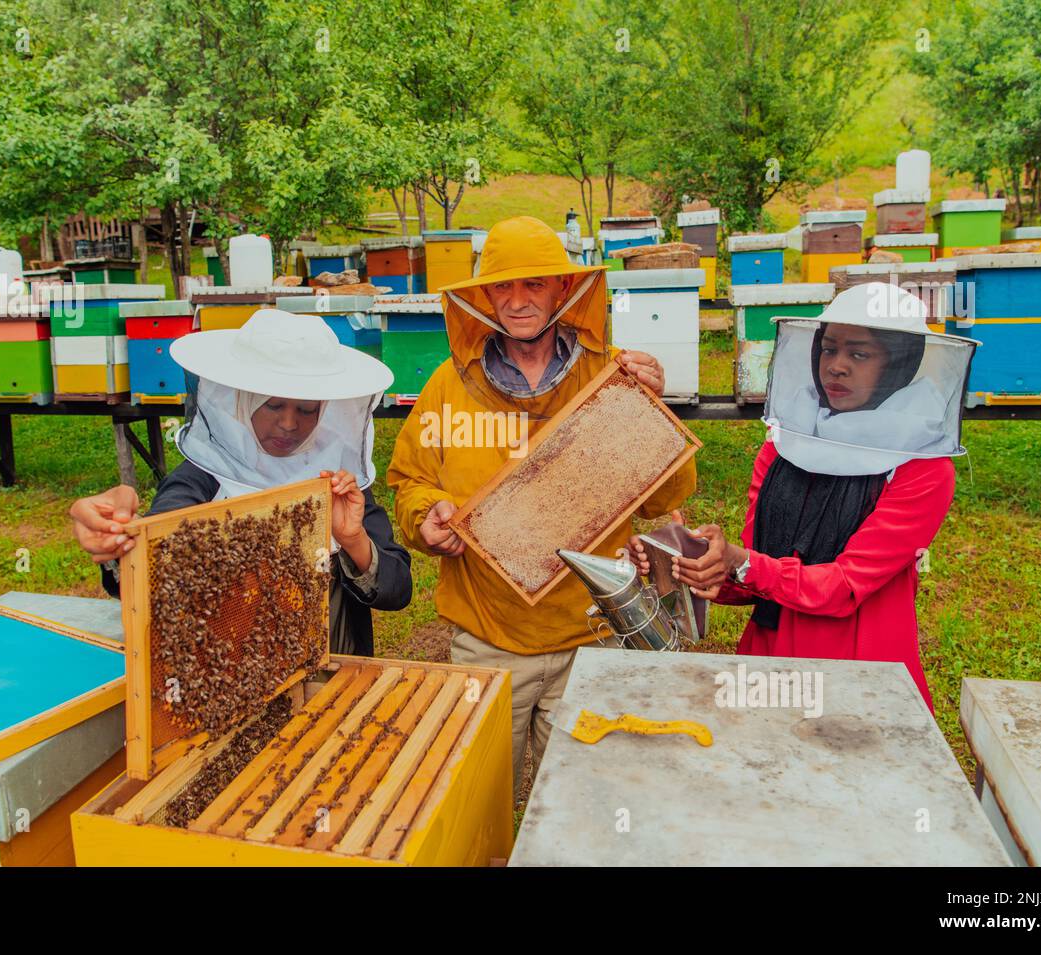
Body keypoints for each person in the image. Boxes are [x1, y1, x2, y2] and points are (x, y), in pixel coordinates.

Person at [387, 215, 699, 791]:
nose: (518, 300)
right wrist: (424, 516)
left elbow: (668, 497)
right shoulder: (447, 386)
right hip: (487, 641)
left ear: (563, 289)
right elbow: (410, 479)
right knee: (477, 804)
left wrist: (653, 412)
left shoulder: (613, 374)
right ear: (485, 296)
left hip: (592, 633)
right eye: (504, 286)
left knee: (579, 804)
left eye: (534, 284)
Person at [632, 282, 978, 711]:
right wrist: (687, 561)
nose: (836, 366)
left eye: (859, 354)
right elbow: (755, 574)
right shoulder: (783, 445)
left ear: (899, 364)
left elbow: (845, 585)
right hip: (769, 652)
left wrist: (741, 563)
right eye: (828, 349)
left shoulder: (923, 469)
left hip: (859, 670)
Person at [70, 309, 413, 655]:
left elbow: (398, 590)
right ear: (243, 398)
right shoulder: (204, 475)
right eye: (273, 405)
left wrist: (354, 540)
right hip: (228, 665)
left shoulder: (341, 481)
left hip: (332, 669)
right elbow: (156, 565)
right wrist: (120, 536)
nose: (290, 423)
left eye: (307, 410)